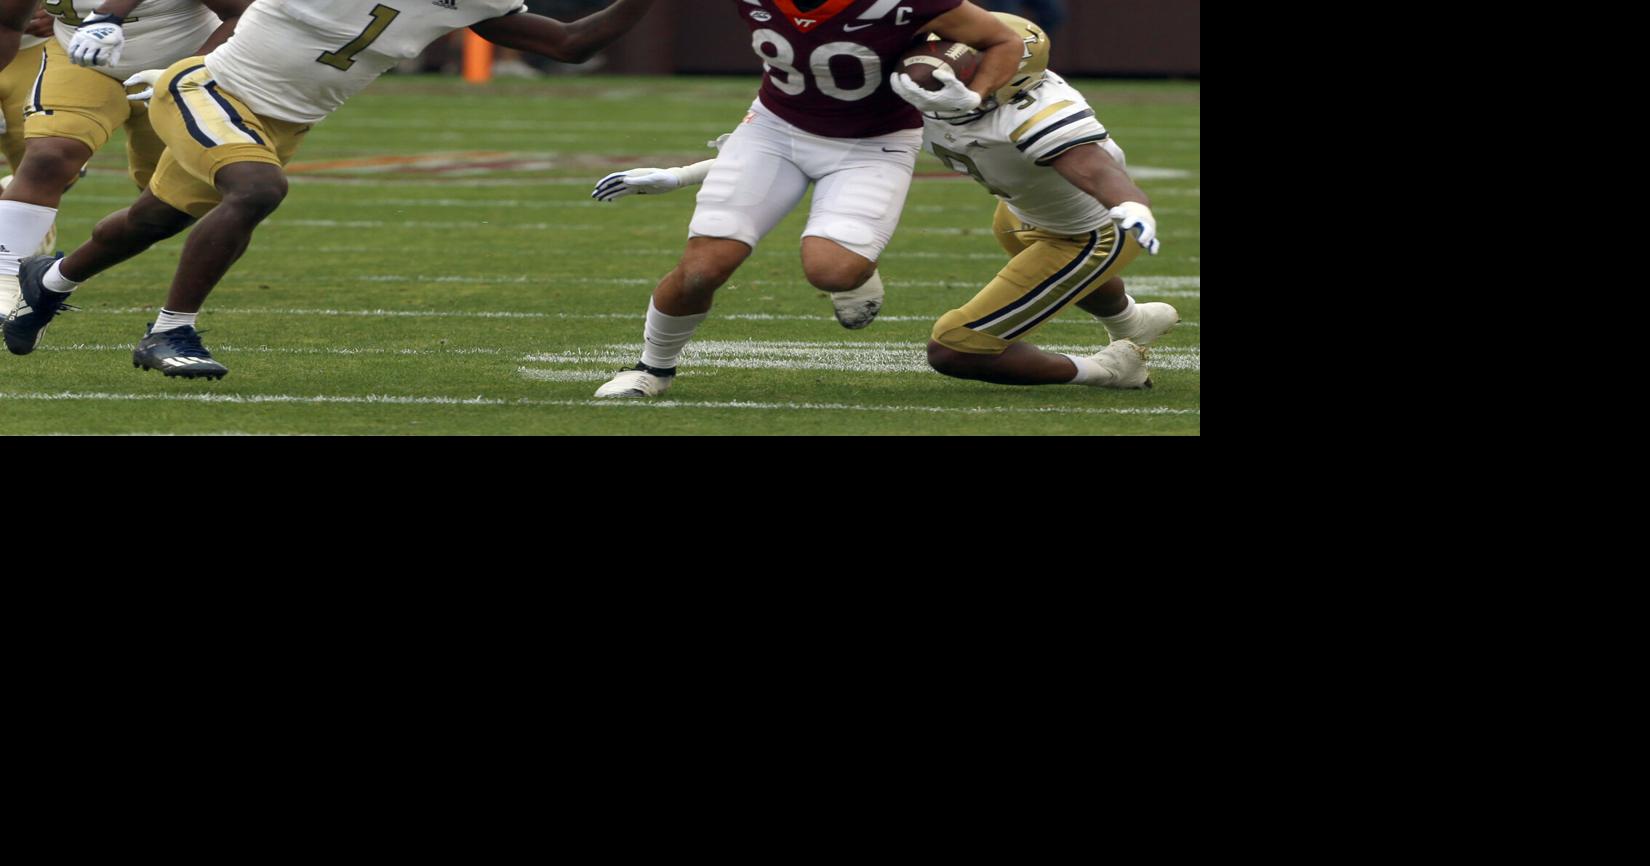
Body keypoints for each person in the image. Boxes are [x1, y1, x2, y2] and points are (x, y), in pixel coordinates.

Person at [2, 0, 657, 378]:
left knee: (155, 217)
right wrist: (109, 15)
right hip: (206, 87)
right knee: (257, 190)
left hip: (288, 118)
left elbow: (569, 43)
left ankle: (49, 283)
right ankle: (170, 332)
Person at [597, 13, 1176, 390]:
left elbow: (1092, 166)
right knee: (1041, 255)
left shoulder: (1035, 111)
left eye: (971, 59)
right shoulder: (927, 83)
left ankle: (1108, 371)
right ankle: (1132, 320)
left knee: (956, 347)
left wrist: (1134, 205)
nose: (948, 62)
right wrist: (685, 175)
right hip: (1019, 215)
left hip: (1088, 233)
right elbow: (805, 140)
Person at [587, 0, 1022, 399]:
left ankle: (855, 270)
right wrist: (682, 175)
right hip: (774, 129)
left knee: (832, 271)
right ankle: (652, 368)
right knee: (703, 268)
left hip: (873, 141)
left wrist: (972, 97)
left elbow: (1004, 39)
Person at [0, 0, 248, 345]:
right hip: (80, 61)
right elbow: (7, 24)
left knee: (174, 203)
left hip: (182, 68)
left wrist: (192, 69)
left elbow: (245, 13)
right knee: (50, 156)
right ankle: (5, 281)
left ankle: (49, 281)